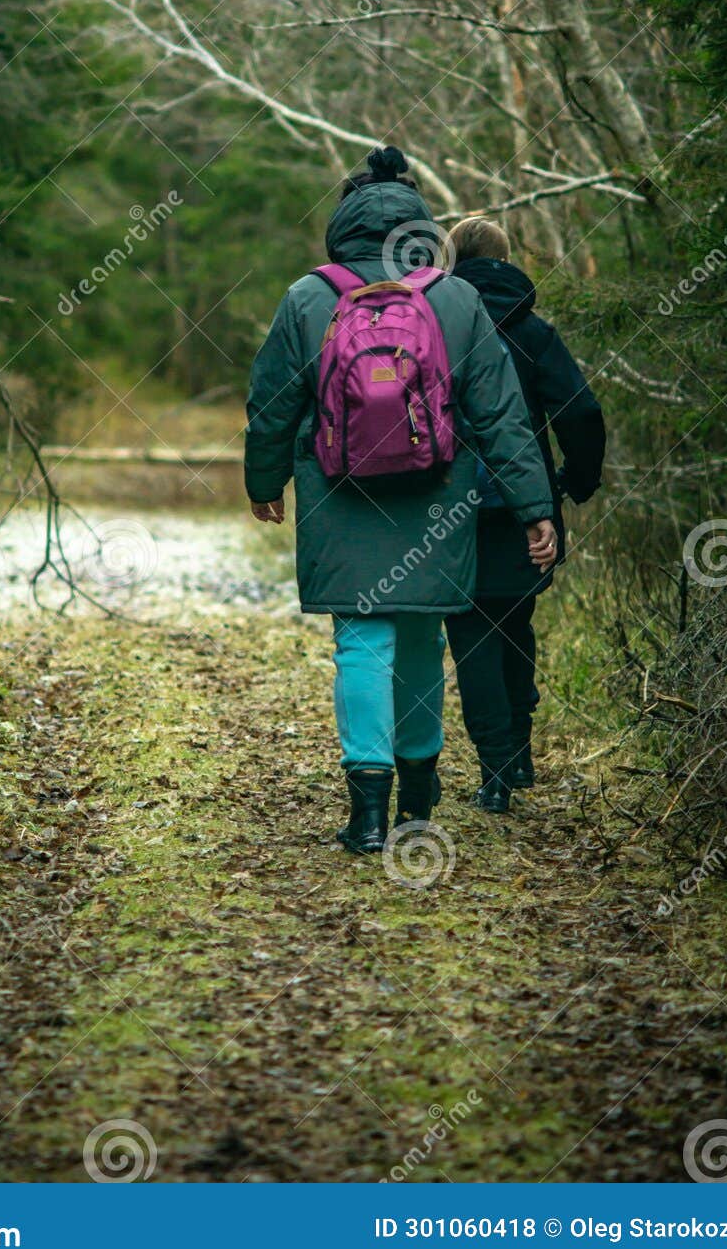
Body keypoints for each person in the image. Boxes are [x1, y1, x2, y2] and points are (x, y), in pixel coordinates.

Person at [244, 149, 556, 852]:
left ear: (341, 227)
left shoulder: (307, 296)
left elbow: (271, 402)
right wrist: (534, 505)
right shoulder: (453, 297)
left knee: (360, 640)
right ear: (419, 227)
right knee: (420, 634)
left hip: (338, 495)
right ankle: (418, 796)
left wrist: (265, 481)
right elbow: (501, 413)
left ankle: (368, 815)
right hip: (435, 497)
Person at [445, 216, 606, 802]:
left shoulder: (435, 327)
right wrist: (573, 482)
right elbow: (582, 414)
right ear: (508, 260)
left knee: (470, 633)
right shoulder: (534, 332)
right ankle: (516, 757)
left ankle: (494, 773)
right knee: (513, 623)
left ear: (452, 262)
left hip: (450, 508)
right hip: (526, 506)